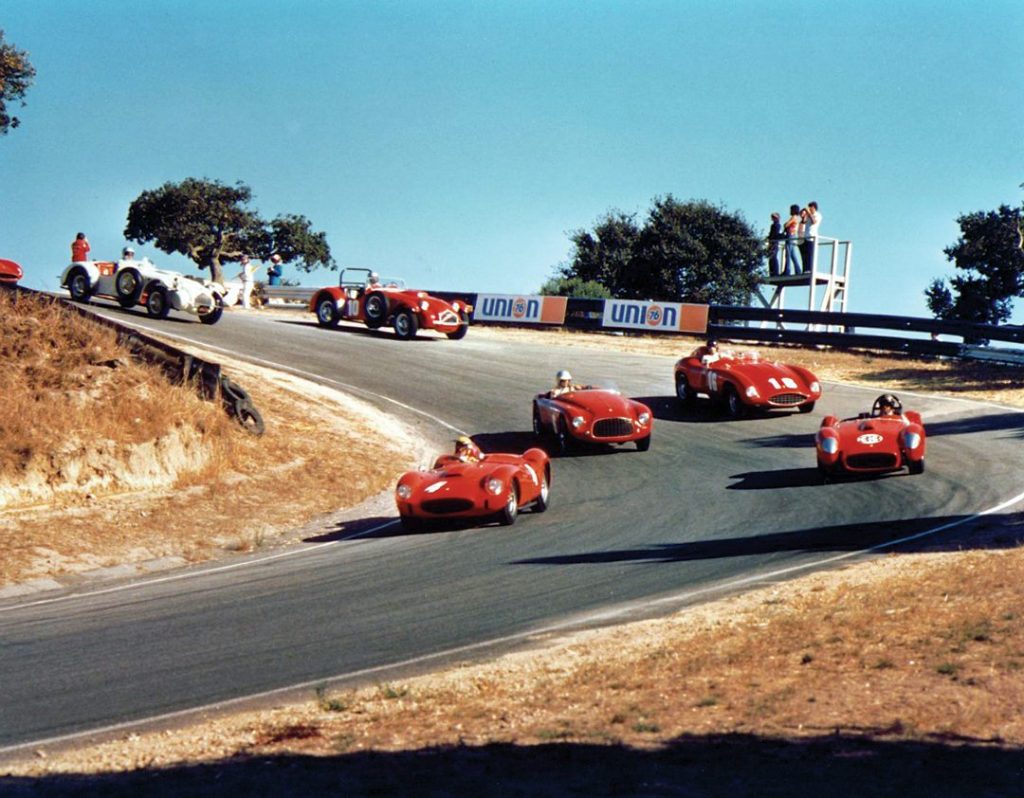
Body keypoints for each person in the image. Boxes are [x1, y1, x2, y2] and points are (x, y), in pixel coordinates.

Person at [801, 201, 821, 274]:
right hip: (806, 236)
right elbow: (803, 222)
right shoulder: (809, 215)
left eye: (810, 207)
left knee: (810, 254)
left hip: (812, 236)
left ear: (814, 207)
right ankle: (805, 269)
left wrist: (808, 213)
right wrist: (804, 215)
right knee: (805, 254)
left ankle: (810, 269)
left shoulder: (817, 215)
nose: (809, 209)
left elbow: (814, 222)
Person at [783, 205, 802, 275]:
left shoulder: (794, 217)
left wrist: (785, 224)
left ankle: (787, 270)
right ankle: (798, 270)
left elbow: (786, 225)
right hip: (794, 235)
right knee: (792, 254)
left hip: (790, 235)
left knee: (788, 253)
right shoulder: (798, 218)